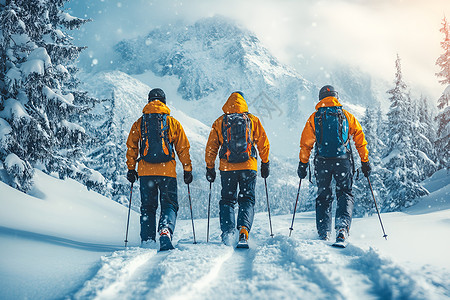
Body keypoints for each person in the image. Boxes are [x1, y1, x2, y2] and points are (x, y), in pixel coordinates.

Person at [297, 85, 371, 244]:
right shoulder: (346, 116)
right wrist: (365, 161)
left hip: (322, 161)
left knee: (324, 196)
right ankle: (342, 228)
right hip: (343, 161)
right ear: (336, 97)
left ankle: (324, 232)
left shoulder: (314, 118)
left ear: (320, 98)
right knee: (345, 193)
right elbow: (360, 140)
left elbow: (306, 144)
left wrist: (303, 164)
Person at [126, 88, 193, 251]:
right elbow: (182, 148)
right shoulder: (172, 122)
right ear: (164, 101)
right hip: (167, 172)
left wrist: (131, 168)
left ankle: (148, 239)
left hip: (145, 172)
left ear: (149, 101)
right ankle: (165, 230)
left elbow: (132, 146)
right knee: (169, 204)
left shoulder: (140, 123)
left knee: (148, 206)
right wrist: (187, 169)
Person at [205, 91, 270, 247]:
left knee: (227, 200)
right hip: (248, 166)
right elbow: (263, 143)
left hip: (227, 167)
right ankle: (243, 231)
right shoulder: (252, 120)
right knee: (246, 199)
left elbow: (211, 147)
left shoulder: (220, 121)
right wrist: (265, 162)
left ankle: (228, 233)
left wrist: (210, 167)